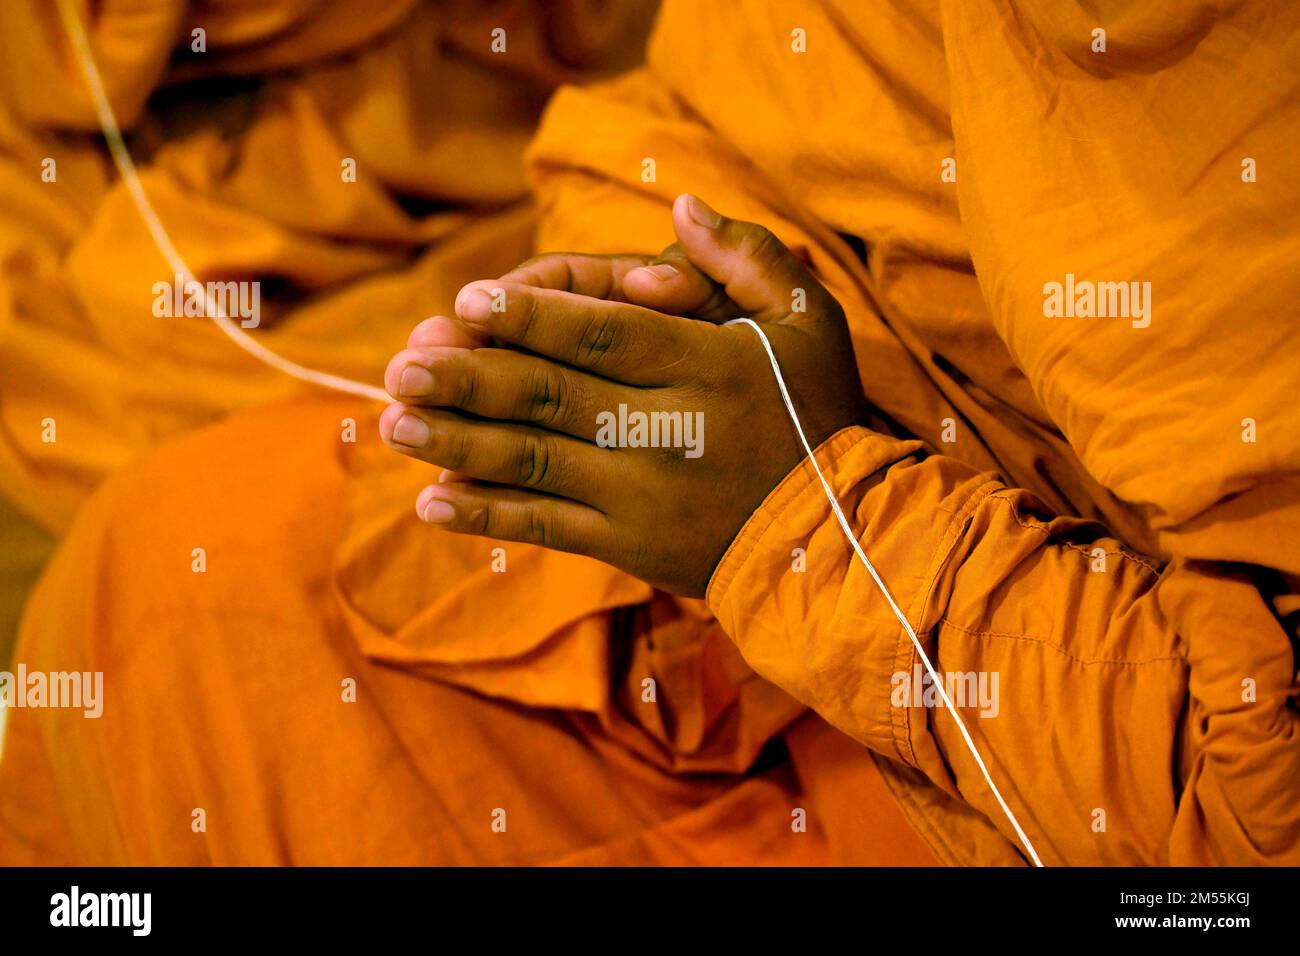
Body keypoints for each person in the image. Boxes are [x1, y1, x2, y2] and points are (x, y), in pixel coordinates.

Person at [1, 0, 1297, 866]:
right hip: (732, 389)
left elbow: (1255, 801)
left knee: (164, 639)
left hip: (918, 639)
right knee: (150, 544)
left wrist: (794, 516)